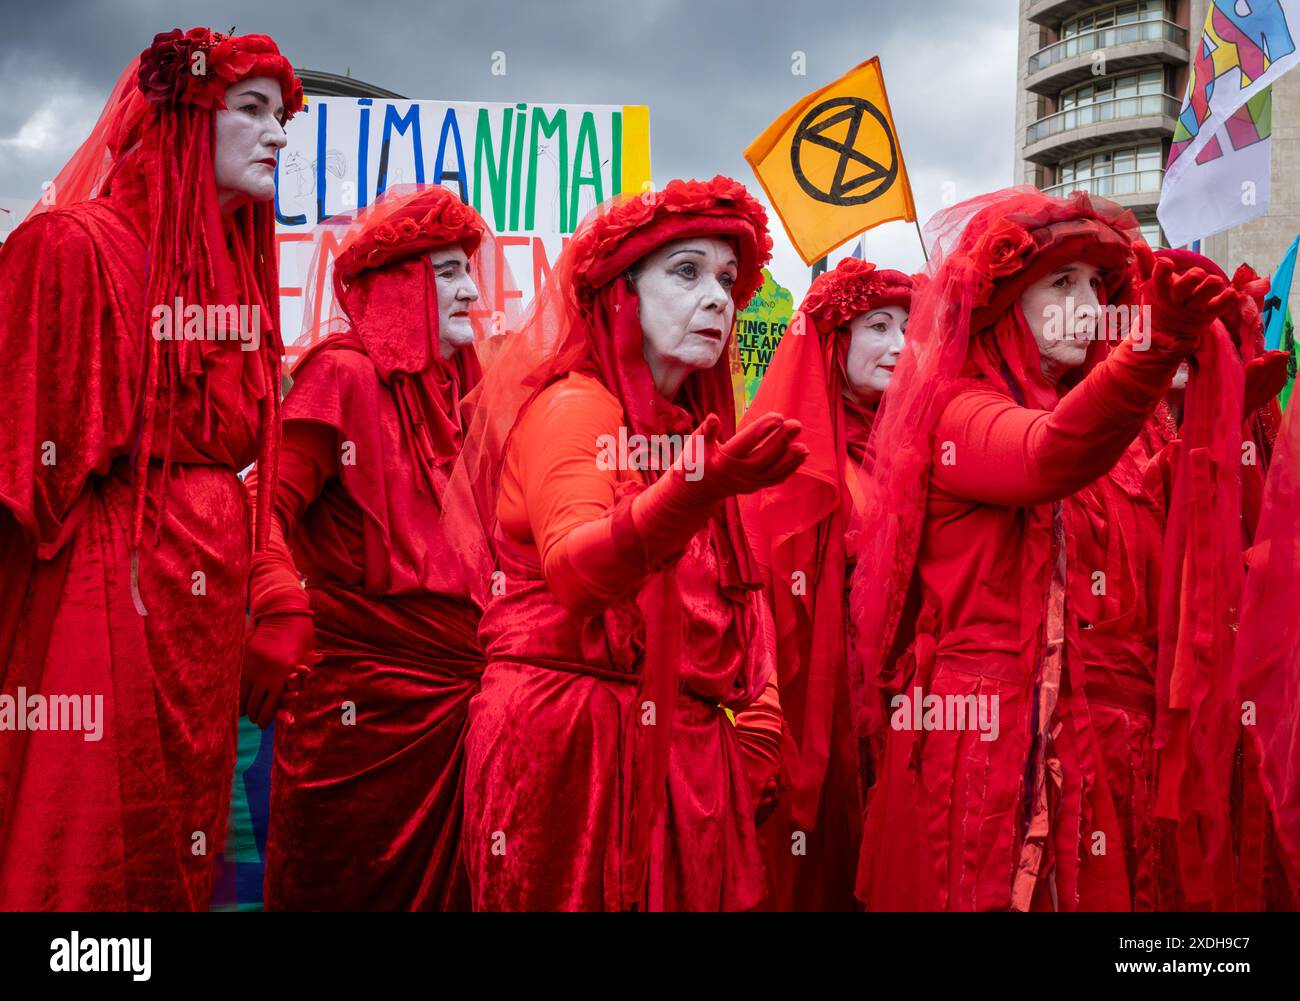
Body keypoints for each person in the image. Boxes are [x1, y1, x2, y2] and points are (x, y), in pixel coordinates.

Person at [849, 188, 1240, 911]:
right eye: (1062, 282)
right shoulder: (958, 410)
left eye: (1097, 284)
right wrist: (1154, 341)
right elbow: (1049, 455)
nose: (1090, 303)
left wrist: (1227, 409)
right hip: (985, 744)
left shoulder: (1096, 428)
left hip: (1079, 743)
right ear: (1003, 305)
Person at [0, 28, 302, 910]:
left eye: (282, 115)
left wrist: (268, 577)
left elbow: (247, 468)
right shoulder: (71, 249)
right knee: (87, 856)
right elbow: (21, 479)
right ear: (180, 116)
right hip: (100, 611)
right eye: (253, 109)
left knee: (174, 857)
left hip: (197, 629)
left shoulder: (232, 282)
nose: (280, 134)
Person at [455, 176, 807, 911]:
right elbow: (579, 572)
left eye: (727, 279)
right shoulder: (573, 405)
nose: (718, 297)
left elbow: (731, 605)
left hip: (684, 762)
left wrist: (758, 727)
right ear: (622, 294)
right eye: (686, 272)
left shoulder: (686, 430)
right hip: (571, 758)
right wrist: (693, 492)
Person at [242, 185, 511, 910]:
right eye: (447, 273)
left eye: (469, 272)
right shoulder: (343, 373)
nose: (468, 292)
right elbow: (258, 507)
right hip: (359, 715)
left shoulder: (460, 392)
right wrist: (278, 602)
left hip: (460, 706)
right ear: (399, 284)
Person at [734, 258, 913, 910]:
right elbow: (766, 588)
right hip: (822, 698)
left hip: (901, 699)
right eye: (879, 326)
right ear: (835, 340)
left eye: (909, 328)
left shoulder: (907, 443)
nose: (900, 345)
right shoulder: (792, 450)